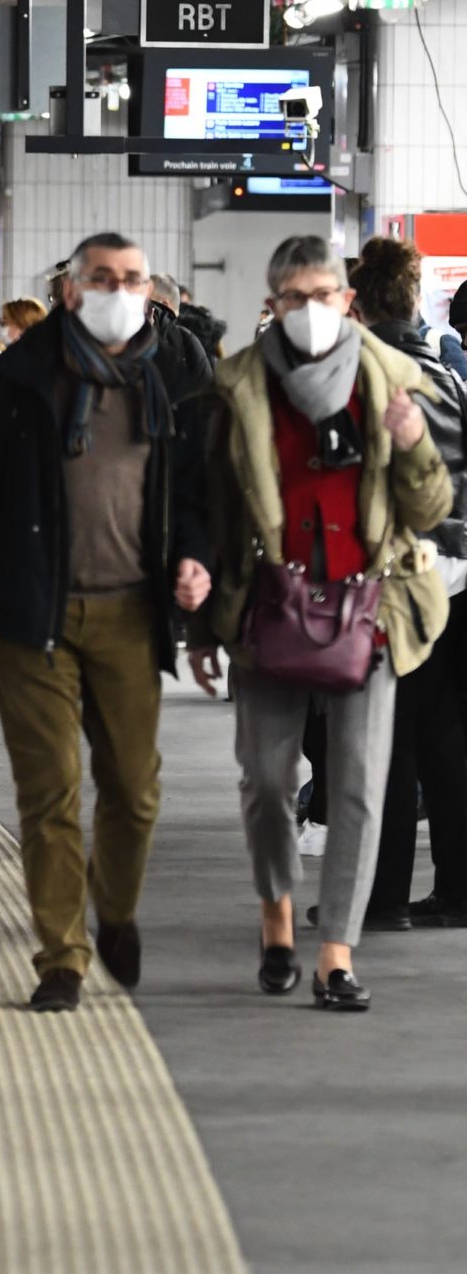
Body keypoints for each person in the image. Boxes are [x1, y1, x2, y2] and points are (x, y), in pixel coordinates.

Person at [0, 231, 215, 1011]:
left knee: (134, 791)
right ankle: (62, 956)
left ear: (153, 290)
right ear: (72, 289)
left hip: (131, 613)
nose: (119, 289)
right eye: (102, 277)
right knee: (50, 791)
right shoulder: (21, 376)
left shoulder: (176, 375)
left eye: (132, 278)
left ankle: (113, 910)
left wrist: (195, 557)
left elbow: (196, 492)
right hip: (31, 616)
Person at [189, 234, 452, 1012]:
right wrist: (202, 627)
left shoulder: (393, 383)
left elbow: (432, 508)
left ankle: (336, 950)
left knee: (362, 790)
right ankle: (277, 911)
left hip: (368, 612)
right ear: (271, 305)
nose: (311, 311)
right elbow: (213, 510)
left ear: (350, 300)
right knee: (267, 782)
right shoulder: (236, 391)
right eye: (294, 297)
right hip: (268, 609)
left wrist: (412, 444)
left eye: (324, 295)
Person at [349, 238, 467, 930]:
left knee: (386, 741)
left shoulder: (367, 372)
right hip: (456, 576)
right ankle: (457, 889)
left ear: (359, 306)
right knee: (446, 739)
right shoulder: (447, 372)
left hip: (396, 581)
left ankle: (384, 893)